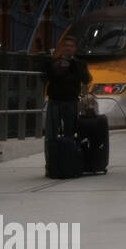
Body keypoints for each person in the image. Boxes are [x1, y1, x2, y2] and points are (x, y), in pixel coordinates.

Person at [40, 36, 91, 167]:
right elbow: (45, 78)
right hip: (54, 101)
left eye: (70, 46)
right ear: (61, 48)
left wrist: (85, 98)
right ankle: (50, 164)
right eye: (65, 46)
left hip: (71, 101)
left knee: (70, 132)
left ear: (74, 49)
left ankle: (68, 162)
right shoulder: (53, 63)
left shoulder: (79, 64)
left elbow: (86, 79)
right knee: (51, 135)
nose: (67, 48)